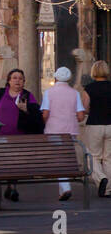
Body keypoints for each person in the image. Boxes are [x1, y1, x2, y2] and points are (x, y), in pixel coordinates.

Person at [0, 68, 42, 201]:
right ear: (9, 81)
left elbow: (36, 117)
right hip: (1, 135)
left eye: (20, 78)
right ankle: (10, 186)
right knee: (5, 163)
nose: (17, 80)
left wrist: (25, 109)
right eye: (14, 78)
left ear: (24, 82)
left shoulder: (27, 96)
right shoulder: (0, 93)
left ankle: (13, 187)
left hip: (20, 136)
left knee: (14, 162)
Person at [42, 66, 85, 201]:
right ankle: (63, 189)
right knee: (65, 158)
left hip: (54, 130)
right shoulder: (75, 93)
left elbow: (45, 113)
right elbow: (80, 115)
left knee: (58, 159)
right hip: (70, 131)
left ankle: (65, 187)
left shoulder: (49, 93)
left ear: (55, 77)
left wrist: (46, 122)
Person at [80, 60, 111, 197]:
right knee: (108, 158)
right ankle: (108, 189)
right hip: (110, 125)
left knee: (93, 156)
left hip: (94, 124)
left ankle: (100, 178)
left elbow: (85, 109)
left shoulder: (89, 89)